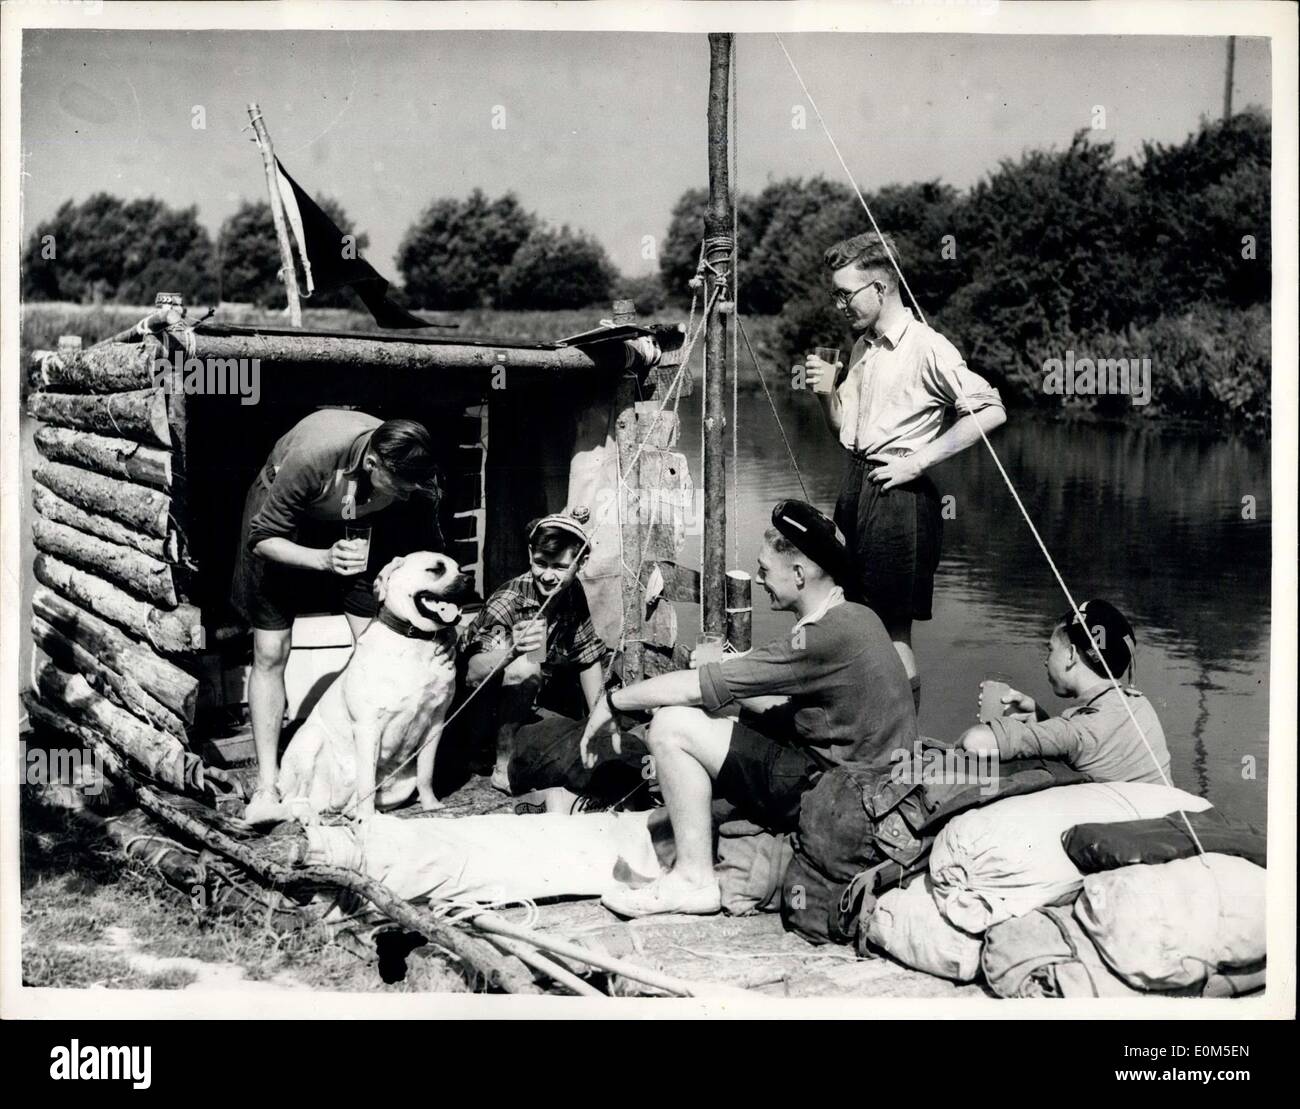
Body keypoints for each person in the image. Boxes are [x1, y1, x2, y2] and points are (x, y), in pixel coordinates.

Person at [579, 500, 916, 918]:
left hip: (840, 799)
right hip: (873, 791)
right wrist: (732, 689)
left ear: (799, 574)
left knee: (670, 725)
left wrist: (614, 701)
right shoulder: (858, 618)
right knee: (727, 716)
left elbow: (694, 690)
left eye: (764, 570)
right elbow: (804, 710)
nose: (758, 581)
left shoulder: (821, 637)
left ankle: (692, 880)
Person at [802, 231, 1007, 717]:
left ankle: (902, 749)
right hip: (857, 486)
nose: (838, 306)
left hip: (900, 498)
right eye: (834, 295)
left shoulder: (927, 347)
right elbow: (846, 434)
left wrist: (917, 461)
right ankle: (866, 734)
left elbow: (990, 409)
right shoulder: (862, 347)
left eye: (845, 294)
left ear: (881, 287)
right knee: (852, 615)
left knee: (891, 627)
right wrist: (825, 395)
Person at [233, 411, 443, 825]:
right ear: (372, 464)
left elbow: (421, 541)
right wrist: (322, 559)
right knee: (272, 649)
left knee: (373, 641)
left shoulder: (407, 470)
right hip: (281, 529)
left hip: (350, 521)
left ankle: (363, 768)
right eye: (400, 487)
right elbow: (262, 539)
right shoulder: (315, 456)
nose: (406, 495)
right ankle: (268, 783)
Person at [461, 507, 608, 793]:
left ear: (582, 562)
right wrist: (512, 651)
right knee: (526, 668)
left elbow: (586, 656)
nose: (548, 576)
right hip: (471, 709)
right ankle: (501, 762)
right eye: (541, 563)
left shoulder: (572, 592)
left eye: (560, 567)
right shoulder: (509, 600)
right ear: (530, 555)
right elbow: (471, 673)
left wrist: (599, 722)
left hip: (519, 703)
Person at [959, 599, 1173, 784]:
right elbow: (1092, 745)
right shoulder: (1139, 705)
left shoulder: (1082, 728)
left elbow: (975, 742)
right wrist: (1040, 719)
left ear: (1071, 655)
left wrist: (1003, 727)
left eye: (1050, 649)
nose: (1045, 661)